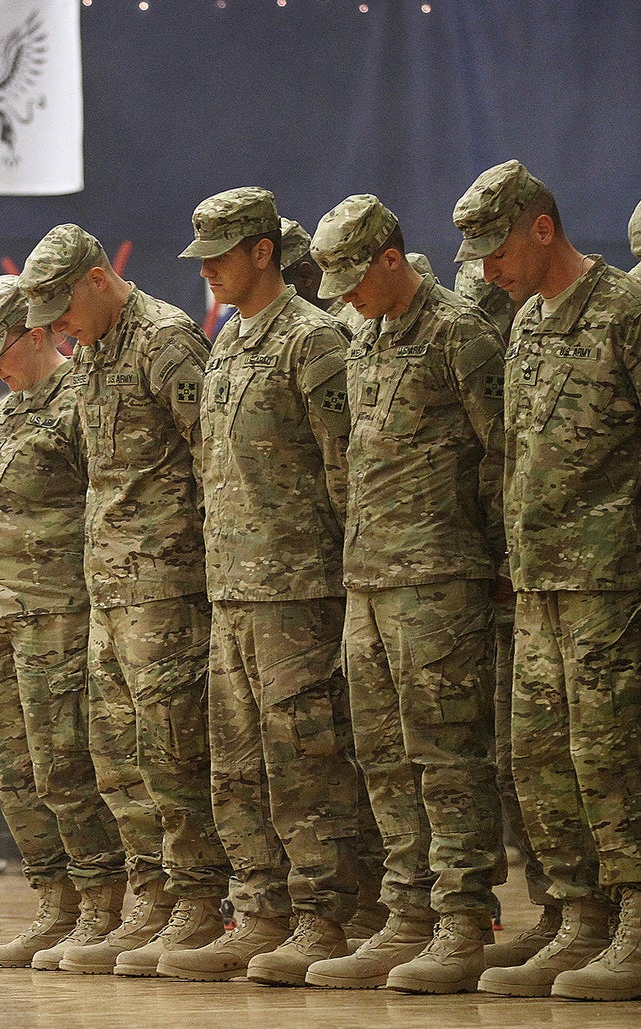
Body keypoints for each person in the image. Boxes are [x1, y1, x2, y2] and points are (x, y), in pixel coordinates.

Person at [154, 189, 367, 986]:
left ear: (263, 252)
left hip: (299, 590)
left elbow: (347, 471)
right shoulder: (231, 342)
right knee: (235, 764)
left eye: (220, 255)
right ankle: (262, 911)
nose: (207, 270)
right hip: (233, 592)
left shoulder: (313, 342)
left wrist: (344, 588)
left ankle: (322, 915)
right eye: (201, 257)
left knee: (303, 758)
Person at [16, 224, 231, 977]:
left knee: (172, 751)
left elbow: (215, 454)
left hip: (168, 587)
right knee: (117, 756)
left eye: (61, 310)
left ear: (98, 280)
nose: (55, 330)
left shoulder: (165, 341)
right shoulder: (94, 353)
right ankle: (151, 896)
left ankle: (201, 899)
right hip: (110, 588)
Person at [305, 194, 505, 994]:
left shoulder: (460, 333)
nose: (346, 295)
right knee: (384, 759)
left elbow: (503, 454)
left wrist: (487, 559)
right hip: (370, 579)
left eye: (355, 277)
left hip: (439, 579)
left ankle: (462, 918)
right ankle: (409, 914)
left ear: (392, 257)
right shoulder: (364, 340)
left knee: (448, 756)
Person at [454, 160, 641, 1002]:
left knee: (612, 755)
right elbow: (513, 453)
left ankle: (635, 920)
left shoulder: (625, 313)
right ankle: (581, 918)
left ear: (541, 227)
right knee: (539, 760)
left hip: (612, 581)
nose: (487, 269)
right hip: (537, 585)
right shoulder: (526, 325)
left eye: (497, 248)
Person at [0, 275, 126, 970]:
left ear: (36, 332)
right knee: (14, 767)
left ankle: (102, 904)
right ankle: (54, 903)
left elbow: (110, 506)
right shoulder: (4, 415)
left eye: (0, 354)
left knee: (65, 764)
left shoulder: (81, 401)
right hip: (0, 618)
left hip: (59, 614)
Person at [454, 256, 556, 963]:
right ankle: (561, 911)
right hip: (499, 575)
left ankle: (590, 911)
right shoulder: (514, 350)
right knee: (519, 761)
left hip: (570, 575)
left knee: (578, 754)